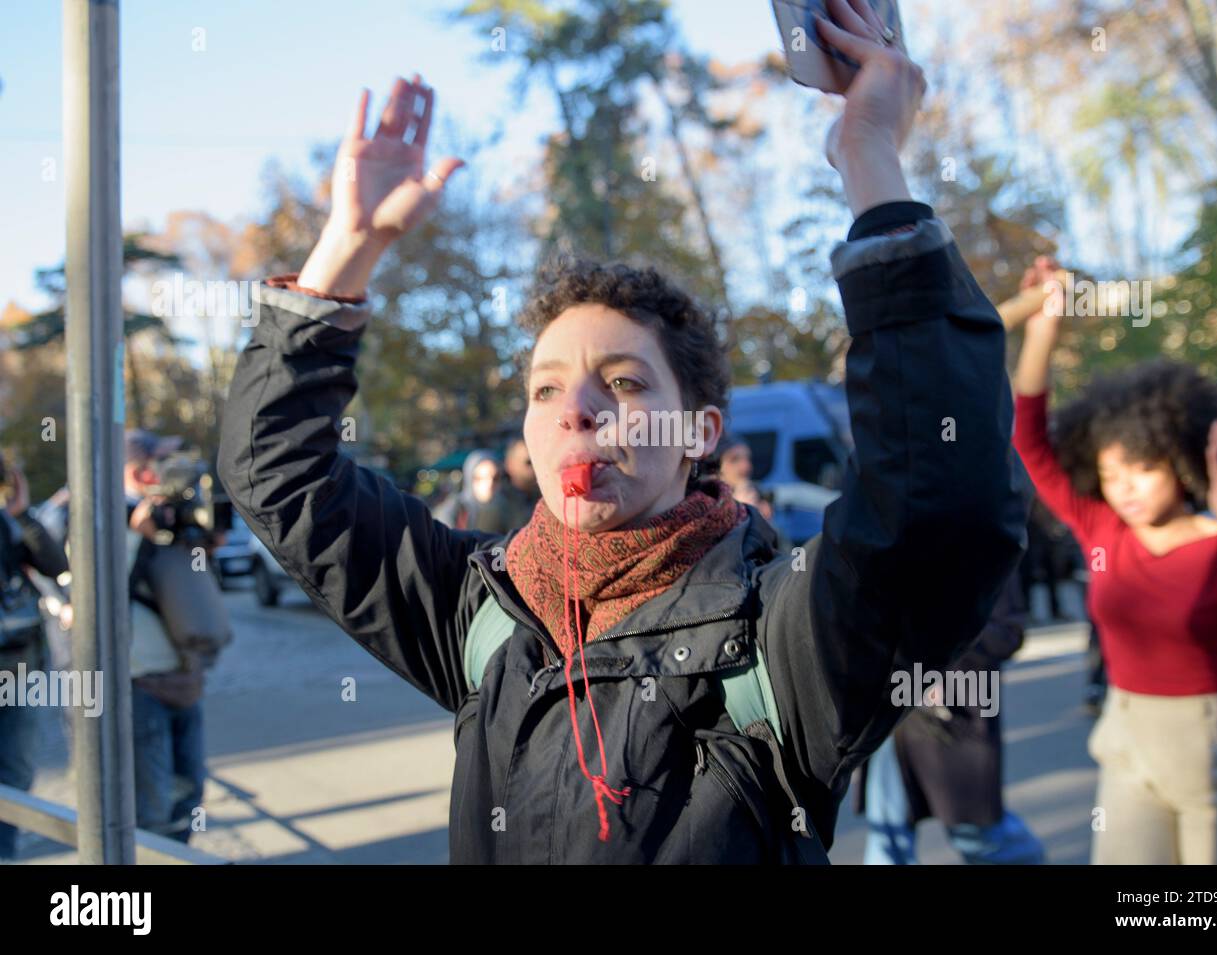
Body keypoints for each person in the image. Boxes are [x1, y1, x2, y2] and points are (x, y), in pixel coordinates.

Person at [218, 1, 1026, 863]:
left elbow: (941, 506)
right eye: (547, 387)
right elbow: (278, 473)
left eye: (626, 382)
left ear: (698, 431)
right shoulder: (484, 612)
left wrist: (870, 158)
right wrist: (347, 249)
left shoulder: (783, 635)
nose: (577, 411)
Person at [1012, 256, 1217, 864]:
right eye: (1111, 473)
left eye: (1142, 469)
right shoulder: (1102, 525)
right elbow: (1030, 440)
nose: (1125, 489)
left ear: (1182, 459)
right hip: (1127, 747)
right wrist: (1044, 330)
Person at [863, 573, 1045, 865]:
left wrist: (937, 667)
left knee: (976, 834)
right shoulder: (888, 533)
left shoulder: (989, 536)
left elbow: (1007, 632)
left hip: (954, 716)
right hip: (893, 713)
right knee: (887, 833)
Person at [123, 430, 216, 844]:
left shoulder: (177, 514)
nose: (172, 471)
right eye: (164, 462)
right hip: (141, 682)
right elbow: (91, 595)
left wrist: (204, 541)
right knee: (152, 806)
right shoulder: (99, 517)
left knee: (189, 795)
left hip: (186, 675)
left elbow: (197, 590)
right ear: (139, 470)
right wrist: (137, 536)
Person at [0, 453, 68, 860]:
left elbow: (54, 564)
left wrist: (23, 514)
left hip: (19, 669)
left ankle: (4, 852)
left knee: (17, 771)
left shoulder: (9, 524)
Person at [432, 449, 506, 532]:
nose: (489, 484)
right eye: (480, 478)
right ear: (469, 478)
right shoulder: (453, 510)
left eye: (495, 478)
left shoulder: (507, 509)